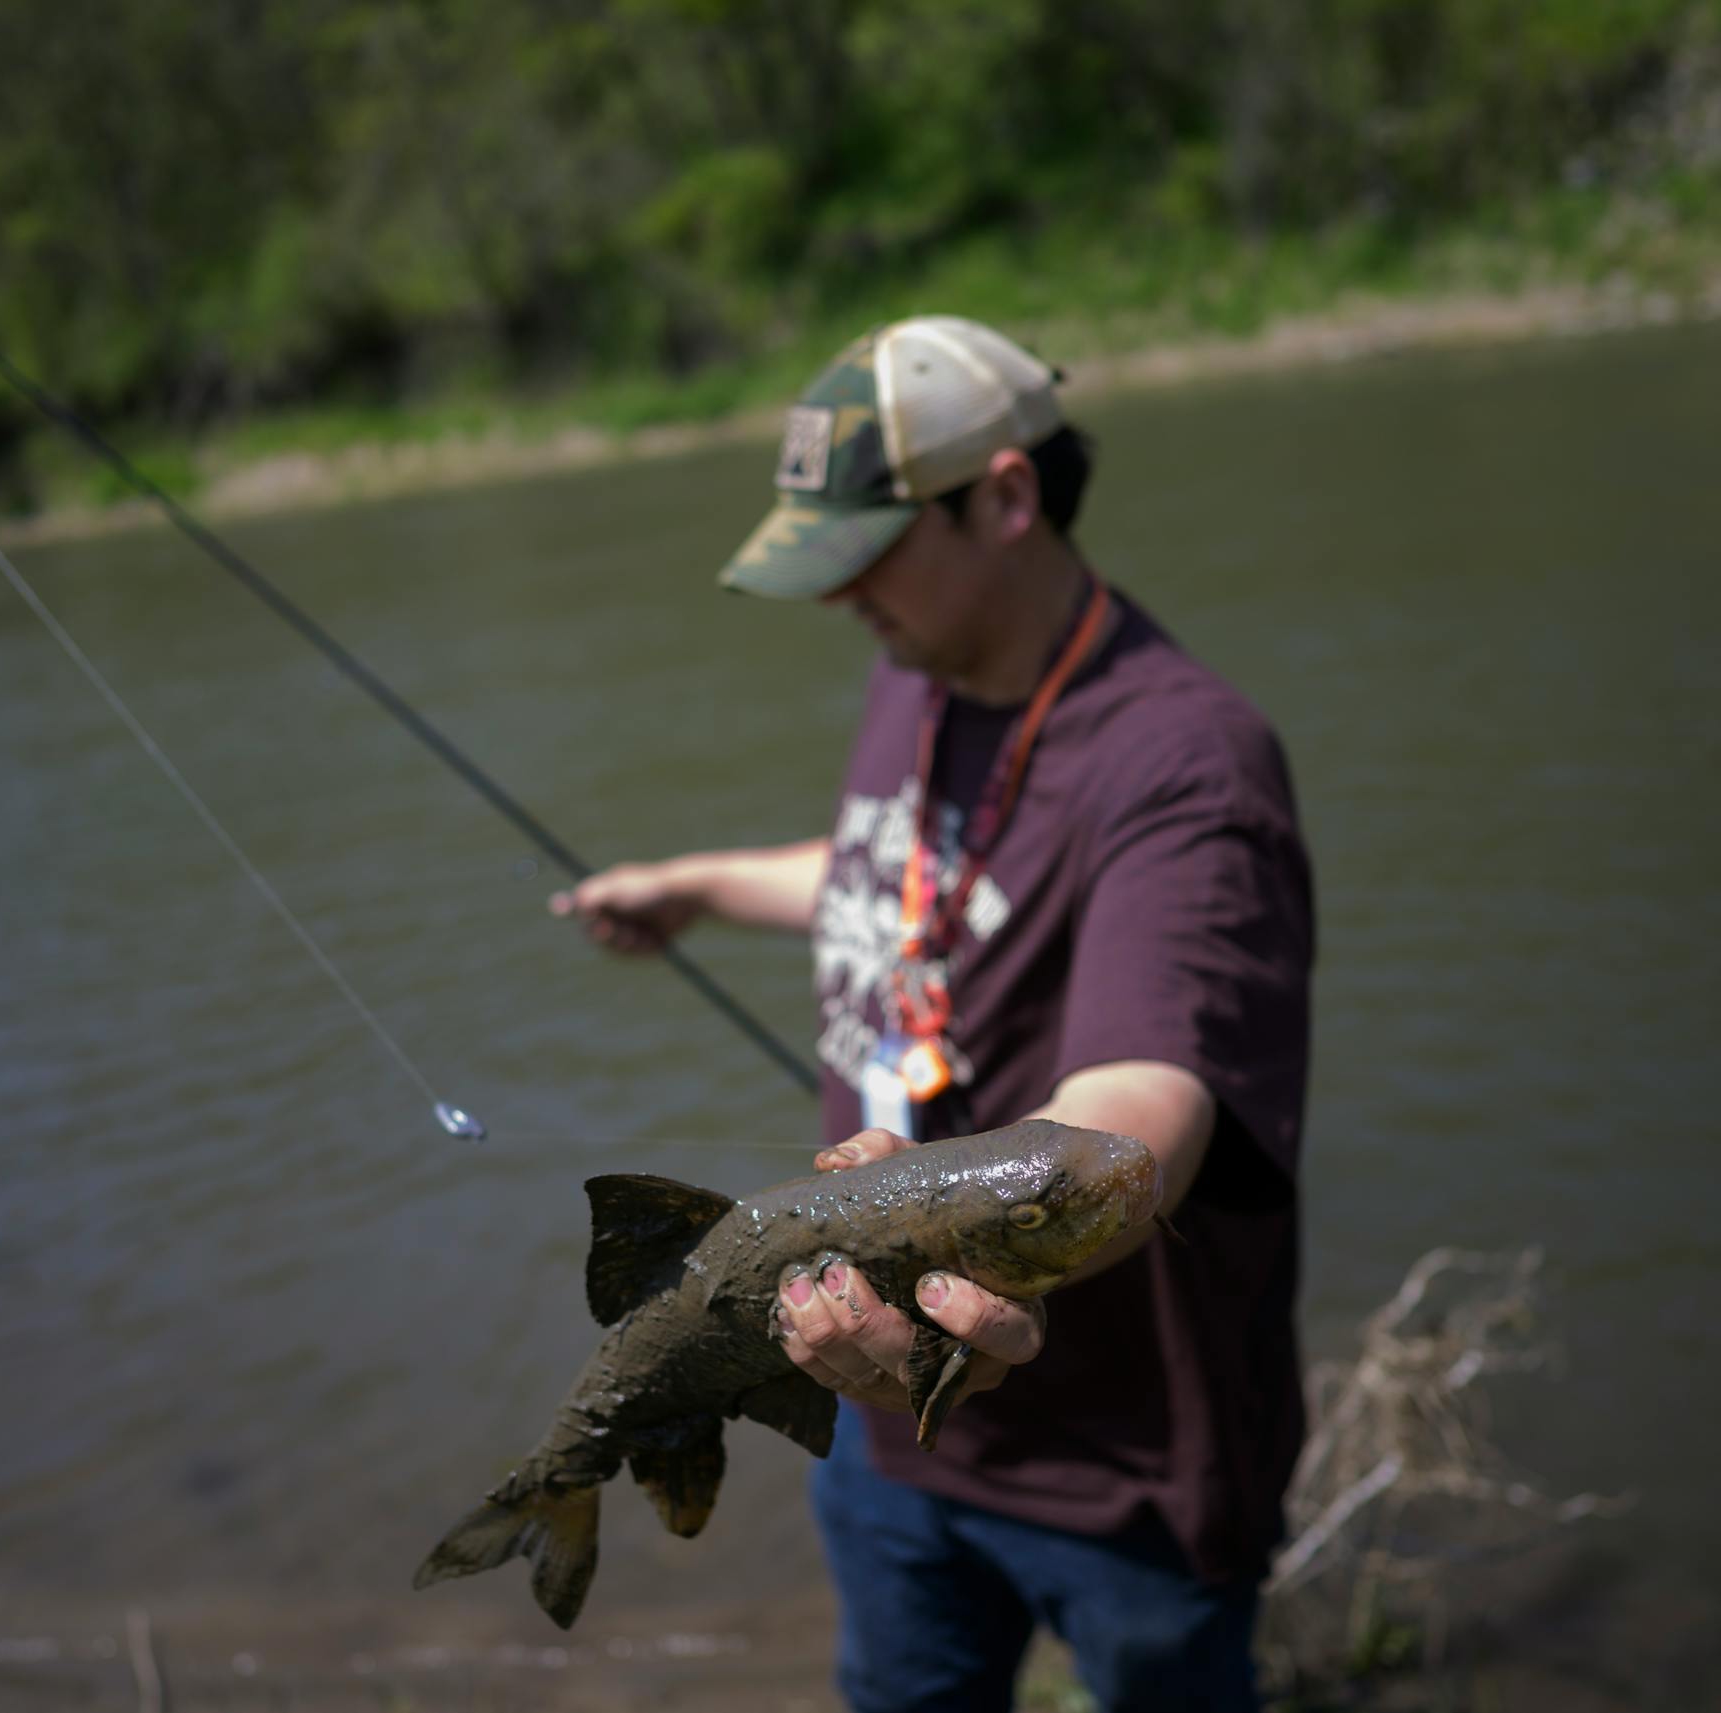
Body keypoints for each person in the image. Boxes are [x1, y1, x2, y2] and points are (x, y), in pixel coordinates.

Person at [550, 315, 1314, 1712]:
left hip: (1118, 1474)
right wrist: (704, 888)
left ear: (1007, 498)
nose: (842, 601)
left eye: (866, 555)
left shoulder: (1187, 767)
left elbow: (1139, 1111)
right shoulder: (924, 661)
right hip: (889, 1450)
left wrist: (991, 1289)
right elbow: (905, 878)